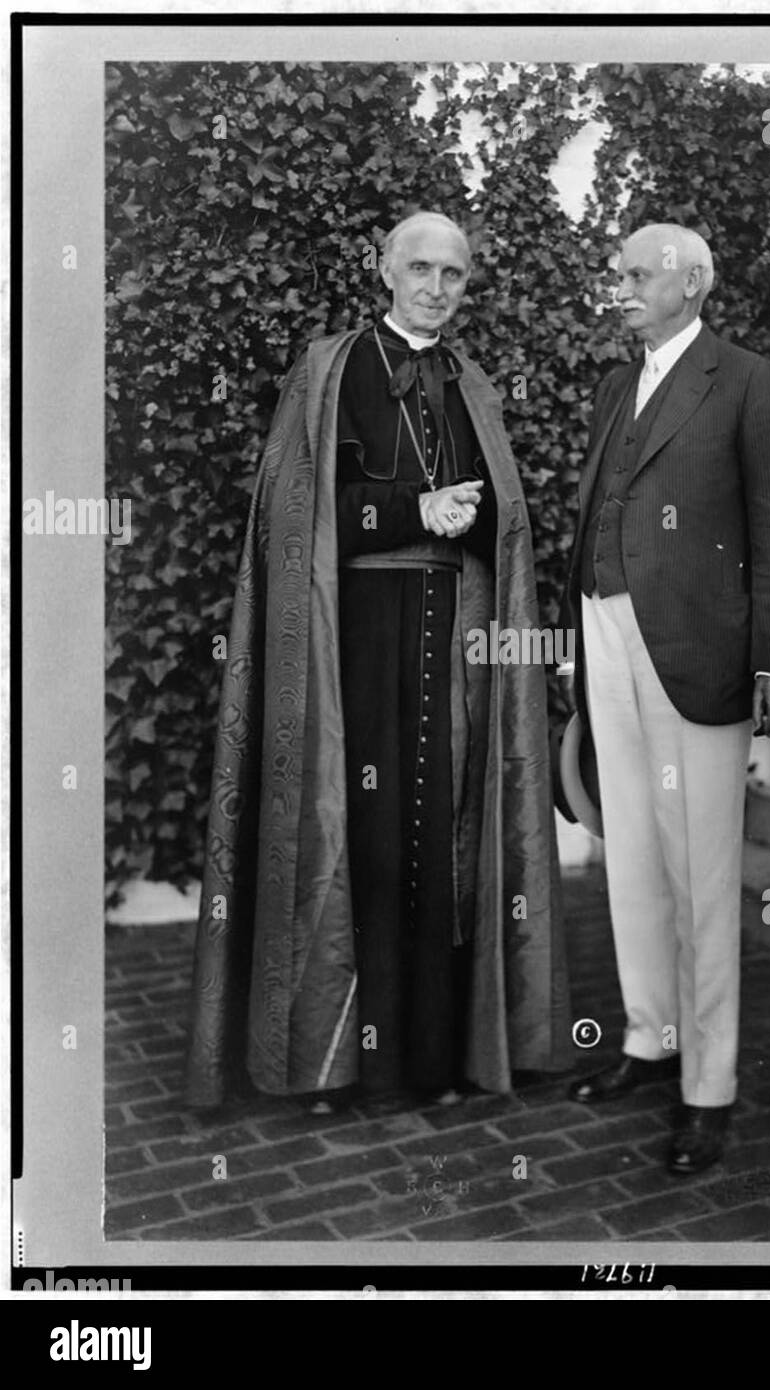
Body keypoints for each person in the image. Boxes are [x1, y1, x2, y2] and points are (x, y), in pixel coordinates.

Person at [185, 211, 571, 1110]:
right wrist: (413, 512)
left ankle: (434, 1061)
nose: (436, 288)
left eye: (455, 275)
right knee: (361, 836)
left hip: (454, 638)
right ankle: (345, 1065)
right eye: (421, 269)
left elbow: (501, 520)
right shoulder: (329, 370)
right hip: (353, 638)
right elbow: (304, 513)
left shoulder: (475, 383)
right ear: (384, 270)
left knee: (444, 839)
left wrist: (476, 518)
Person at [563, 223, 770, 1174]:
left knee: (703, 878)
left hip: (701, 653)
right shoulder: (612, 388)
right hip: (605, 632)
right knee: (628, 854)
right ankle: (648, 1040)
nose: (620, 285)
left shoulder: (746, 380)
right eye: (619, 271)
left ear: (692, 285)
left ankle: (708, 1091)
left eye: (638, 273)